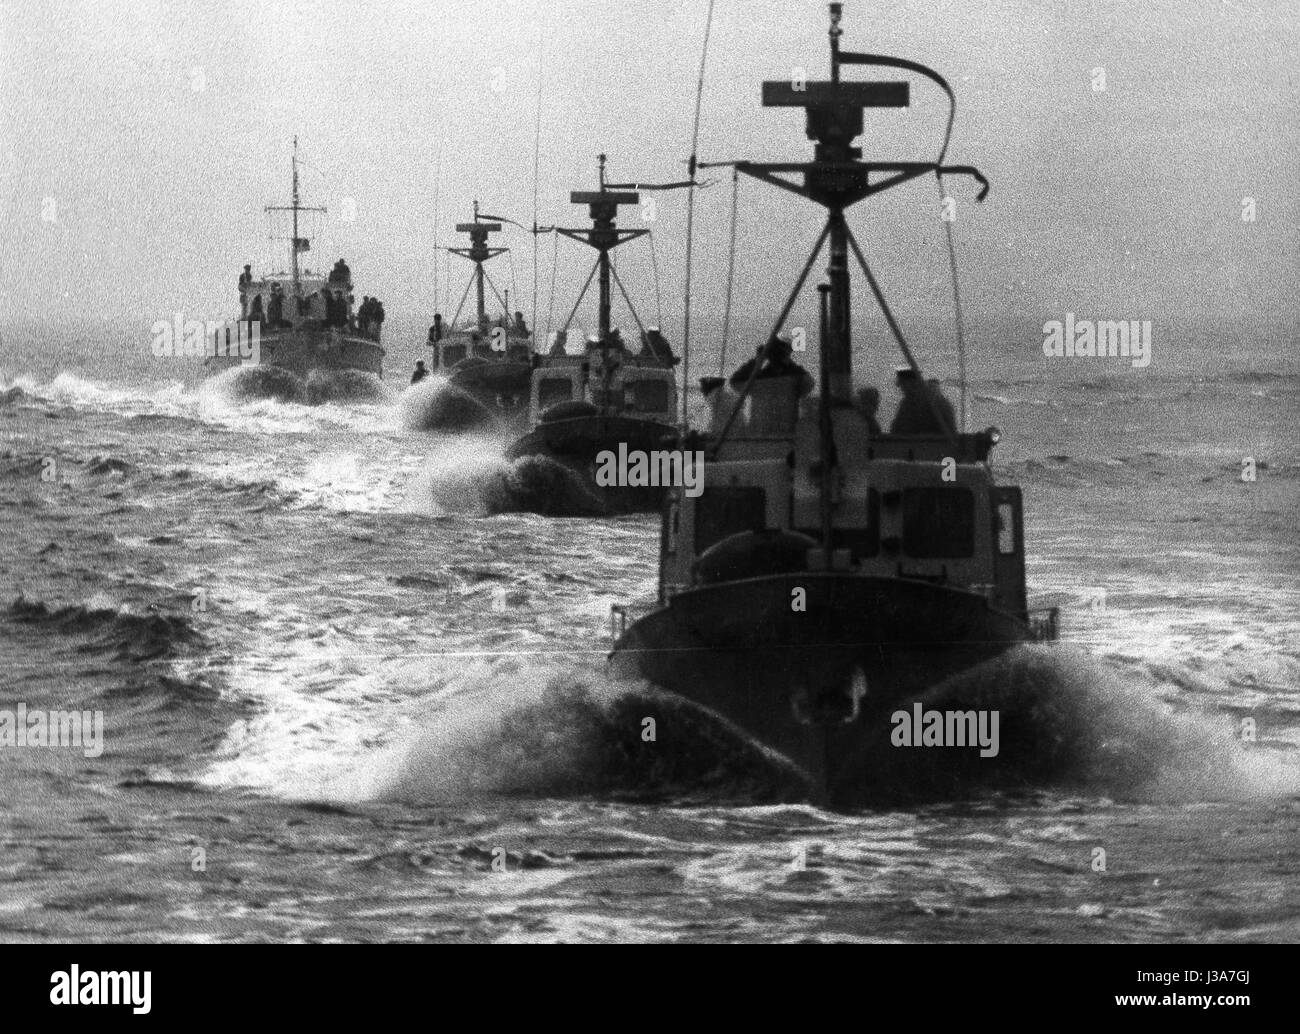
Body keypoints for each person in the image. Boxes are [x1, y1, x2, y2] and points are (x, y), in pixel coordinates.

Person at [729, 333, 814, 398]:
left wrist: (788, 365)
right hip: (760, 416)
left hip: (785, 415)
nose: (778, 354)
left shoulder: (791, 373)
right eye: (777, 349)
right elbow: (735, 383)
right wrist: (758, 361)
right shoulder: (759, 372)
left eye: (784, 349)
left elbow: (807, 385)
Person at [889, 367, 956, 435]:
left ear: (911, 382)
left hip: (926, 443)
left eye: (902, 384)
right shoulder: (908, 401)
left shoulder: (929, 402)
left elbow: (900, 428)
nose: (901, 388)